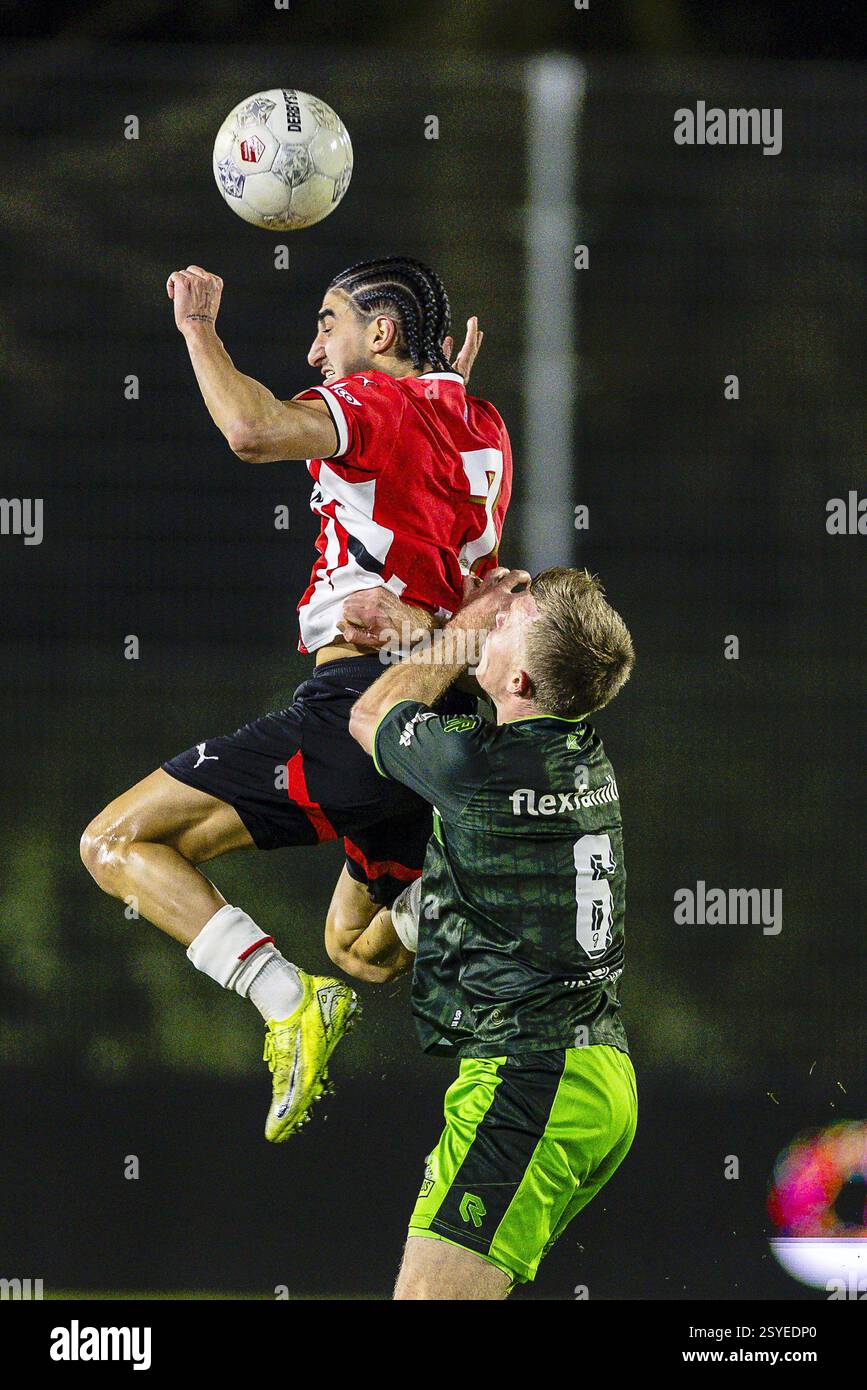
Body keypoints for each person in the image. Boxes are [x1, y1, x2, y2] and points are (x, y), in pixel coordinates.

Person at [80, 256, 512, 1142]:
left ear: (380, 333)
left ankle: (285, 1002)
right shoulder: (481, 423)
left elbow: (249, 429)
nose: (316, 348)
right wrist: (438, 392)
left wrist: (198, 329)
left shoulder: (373, 404)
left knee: (115, 843)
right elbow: (436, 513)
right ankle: (491, 924)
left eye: (328, 323)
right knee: (358, 948)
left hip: (359, 708)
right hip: (444, 717)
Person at [348, 566, 637, 1298]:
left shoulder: (474, 766)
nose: (488, 618)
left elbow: (368, 714)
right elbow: (500, 691)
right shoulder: (579, 746)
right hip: (590, 1074)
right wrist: (434, 634)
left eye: (504, 619)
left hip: (529, 1080)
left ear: (521, 686)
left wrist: (448, 630)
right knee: (355, 946)